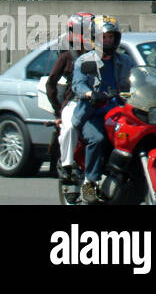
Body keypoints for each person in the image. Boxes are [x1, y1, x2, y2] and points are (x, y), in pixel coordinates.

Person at [71, 15, 132, 202]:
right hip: (92, 114)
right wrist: (90, 94)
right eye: (104, 37)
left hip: (119, 113)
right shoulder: (84, 61)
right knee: (97, 139)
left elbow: (140, 77)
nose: (108, 41)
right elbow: (78, 85)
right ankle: (90, 181)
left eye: (111, 37)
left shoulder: (125, 61)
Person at [46, 12, 95, 180]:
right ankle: (67, 164)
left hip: (99, 102)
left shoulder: (101, 54)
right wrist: (58, 110)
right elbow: (50, 83)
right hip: (74, 102)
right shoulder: (67, 57)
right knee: (70, 127)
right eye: (87, 30)